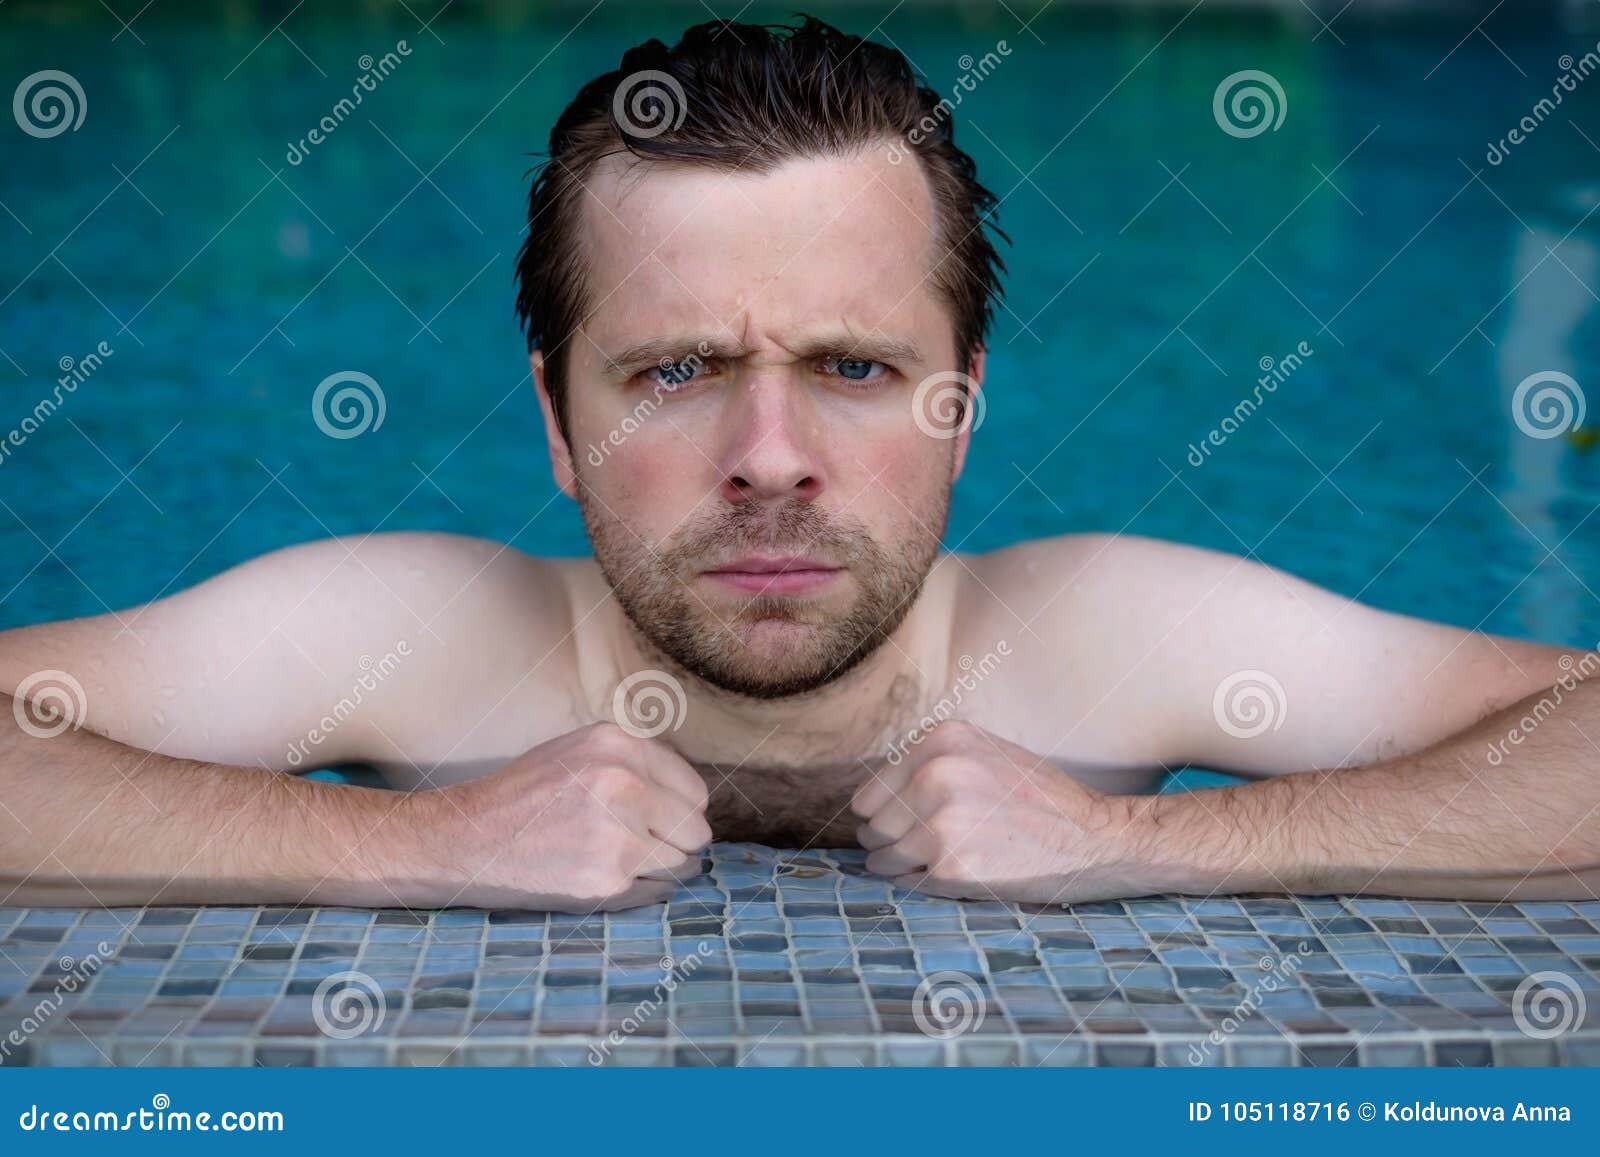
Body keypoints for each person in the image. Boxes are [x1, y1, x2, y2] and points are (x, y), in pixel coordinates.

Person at [2, 17, 1594, 913]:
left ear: (961, 408)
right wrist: (414, 846)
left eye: (853, 369)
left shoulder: (1115, 638)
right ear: (559, 423)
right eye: (679, 371)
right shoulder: (415, 639)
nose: (772, 462)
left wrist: (1139, 844)